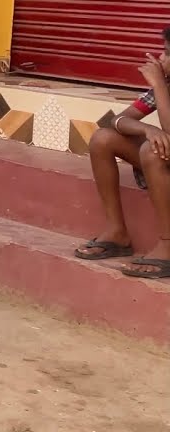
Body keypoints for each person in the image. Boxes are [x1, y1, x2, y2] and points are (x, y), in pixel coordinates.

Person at [74, 28, 170, 278]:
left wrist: (159, 84)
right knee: (103, 139)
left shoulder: (163, 84)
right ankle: (117, 233)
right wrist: (146, 127)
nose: (161, 59)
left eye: (168, 54)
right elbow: (119, 120)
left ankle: (168, 245)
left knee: (152, 151)